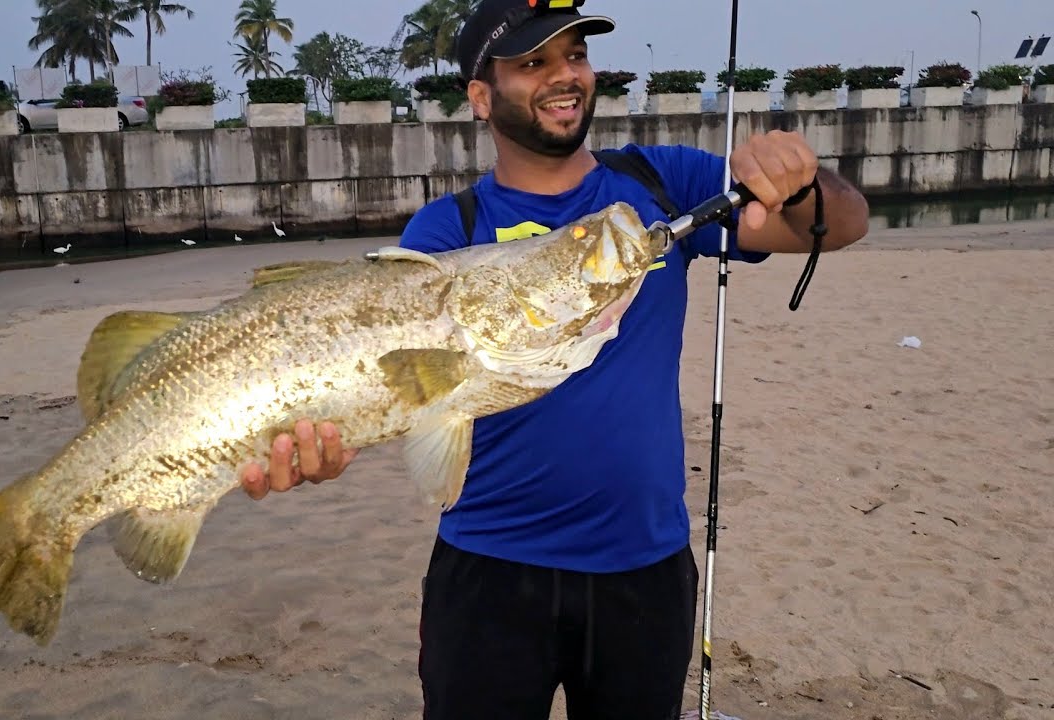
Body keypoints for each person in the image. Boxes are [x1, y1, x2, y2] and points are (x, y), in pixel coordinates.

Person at [239, 0, 871, 717]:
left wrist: (803, 182)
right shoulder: (447, 233)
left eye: (574, 55)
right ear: (481, 96)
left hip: (646, 570)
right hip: (488, 571)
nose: (564, 75)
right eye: (533, 62)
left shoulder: (662, 186)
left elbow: (836, 227)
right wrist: (324, 439)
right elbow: (390, 391)